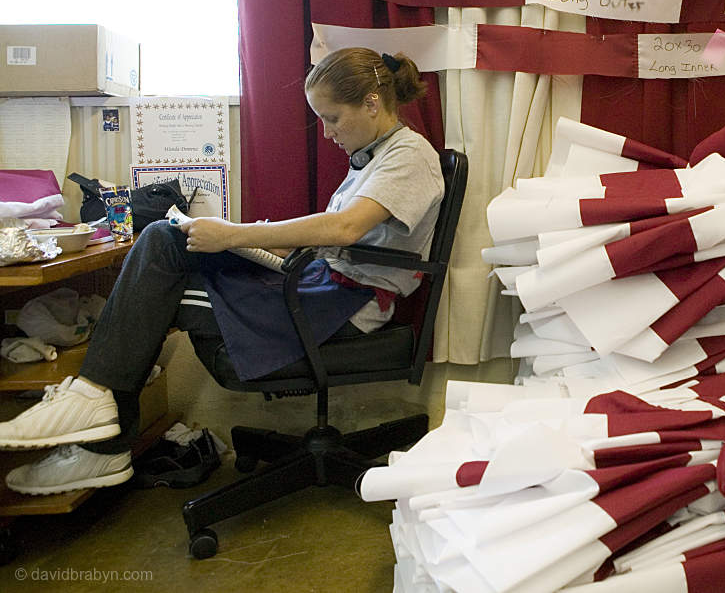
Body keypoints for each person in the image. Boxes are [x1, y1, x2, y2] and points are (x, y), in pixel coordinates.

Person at [0, 48, 444, 495]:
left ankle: (101, 429)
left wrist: (235, 235)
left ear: (371, 102)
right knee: (164, 238)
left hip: (343, 305)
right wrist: (227, 234)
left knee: (161, 287)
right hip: (320, 284)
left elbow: (344, 228)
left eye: (332, 118)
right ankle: (96, 406)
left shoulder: (408, 156)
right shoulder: (374, 156)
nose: (327, 132)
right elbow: (326, 236)